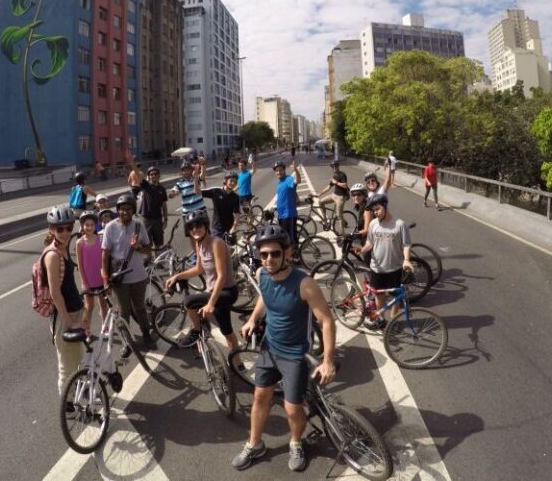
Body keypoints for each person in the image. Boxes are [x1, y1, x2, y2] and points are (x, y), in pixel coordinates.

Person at [232, 225, 337, 472]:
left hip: (294, 354)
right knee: (260, 396)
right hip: (269, 348)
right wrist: (252, 319)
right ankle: (254, 444)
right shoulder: (261, 274)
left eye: (275, 254)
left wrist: (328, 360)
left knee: (292, 408)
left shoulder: (304, 283)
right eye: (264, 254)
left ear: (287, 252)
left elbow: (327, 321)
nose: (269, 259)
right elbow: (264, 299)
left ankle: (296, 441)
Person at [164, 210, 240, 350]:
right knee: (227, 332)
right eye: (191, 227)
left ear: (206, 226)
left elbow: (221, 276)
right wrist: (177, 276)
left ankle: (197, 331)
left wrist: (211, 303)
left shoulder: (216, 243)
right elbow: (199, 269)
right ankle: (237, 364)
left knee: (189, 302)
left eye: (198, 225)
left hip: (226, 292)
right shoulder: (199, 244)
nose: (195, 229)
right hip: (214, 291)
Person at [101, 194, 155, 355]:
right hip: (119, 278)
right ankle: (127, 342)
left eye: (129, 209)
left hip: (139, 276)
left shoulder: (139, 226)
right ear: (117, 210)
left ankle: (146, 335)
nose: (125, 212)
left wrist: (138, 247)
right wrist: (105, 279)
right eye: (122, 209)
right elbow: (105, 254)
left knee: (140, 308)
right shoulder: (110, 227)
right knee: (123, 311)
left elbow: (148, 250)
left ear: (133, 210)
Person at [42, 205, 86, 395]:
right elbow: (55, 293)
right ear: (52, 229)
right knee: (65, 366)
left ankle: (76, 392)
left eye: (69, 227)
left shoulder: (64, 249)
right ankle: (67, 406)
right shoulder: (52, 255)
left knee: (75, 358)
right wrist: (70, 322)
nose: (65, 232)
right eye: (60, 229)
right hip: (64, 316)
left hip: (75, 310)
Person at [353, 193, 412, 325]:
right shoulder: (373, 224)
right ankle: (381, 319)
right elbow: (370, 243)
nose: (376, 212)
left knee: (395, 297)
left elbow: (406, 244)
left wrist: (406, 259)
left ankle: (393, 322)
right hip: (377, 268)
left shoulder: (399, 224)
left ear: (385, 206)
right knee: (379, 295)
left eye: (378, 209)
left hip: (394, 268)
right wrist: (362, 249)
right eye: (373, 210)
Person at [126, 151, 168, 247]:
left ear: (159, 176)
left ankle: (158, 261)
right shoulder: (146, 185)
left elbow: (164, 205)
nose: (153, 176)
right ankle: (149, 261)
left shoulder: (162, 189)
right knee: (147, 243)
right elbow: (137, 173)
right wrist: (131, 162)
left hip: (158, 218)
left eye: (155, 174)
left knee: (159, 243)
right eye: (151, 174)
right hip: (146, 219)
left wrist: (165, 219)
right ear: (148, 176)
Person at [76, 210, 108, 324]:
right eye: (87, 225)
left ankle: (105, 326)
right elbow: (80, 264)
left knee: (103, 305)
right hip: (88, 281)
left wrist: (106, 278)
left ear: (96, 225)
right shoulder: (80, 243)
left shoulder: (100, 239)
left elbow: (104, 259)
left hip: (100, 279)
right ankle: (87, 330)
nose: (89, 227)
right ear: (82, 226)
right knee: (89, 307)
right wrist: (84, 282)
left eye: (92, 225)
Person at [169, 159, 206, 236]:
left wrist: (203, 164)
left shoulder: (196, 178)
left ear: (191, 170)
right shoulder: (179, 183)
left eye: (188, 170)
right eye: (184, 170)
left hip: (200, 210)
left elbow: (202, 175)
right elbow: (172, 193)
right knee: (191, 235)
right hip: (187, 213)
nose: (186, 172)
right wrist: (173, 194)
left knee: (204, 233)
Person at [201, 172, 241, 238]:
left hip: (229, 228)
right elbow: (198, 192)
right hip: (216, 228)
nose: (233, 183)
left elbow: (237, 214)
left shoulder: (236, 197)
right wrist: (196, 179)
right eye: (231, 181)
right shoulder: (216, 191)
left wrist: (234, 227)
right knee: (216, 247)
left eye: (235, 182)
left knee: (229, 247)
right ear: (225, 181)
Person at [273, 160, 301, 250]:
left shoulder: (288, 179)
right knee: (285, 238)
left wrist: (296, 170)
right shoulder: (279, 182)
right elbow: (281, 197)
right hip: (281, 215)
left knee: (291, 239)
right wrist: (274, 208)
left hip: (289, 214)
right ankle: (290, 256)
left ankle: (296, 257)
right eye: (276, 171)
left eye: (280, 170)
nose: (278, 172)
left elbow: (298, 181)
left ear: (284, 170)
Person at [317, 160, 348, 228]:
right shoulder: (334, 175)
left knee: (338, 215)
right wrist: (320, 193)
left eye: (336, 166)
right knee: (321, 202)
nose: (334, 168)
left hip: (341, 196)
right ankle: (325, 220)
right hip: (334, 195)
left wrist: (336, 182)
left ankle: (343, 235)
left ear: (338, 166)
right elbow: (329, 187)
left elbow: (345, 185)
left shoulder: (342, 175)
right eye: (333, 167)